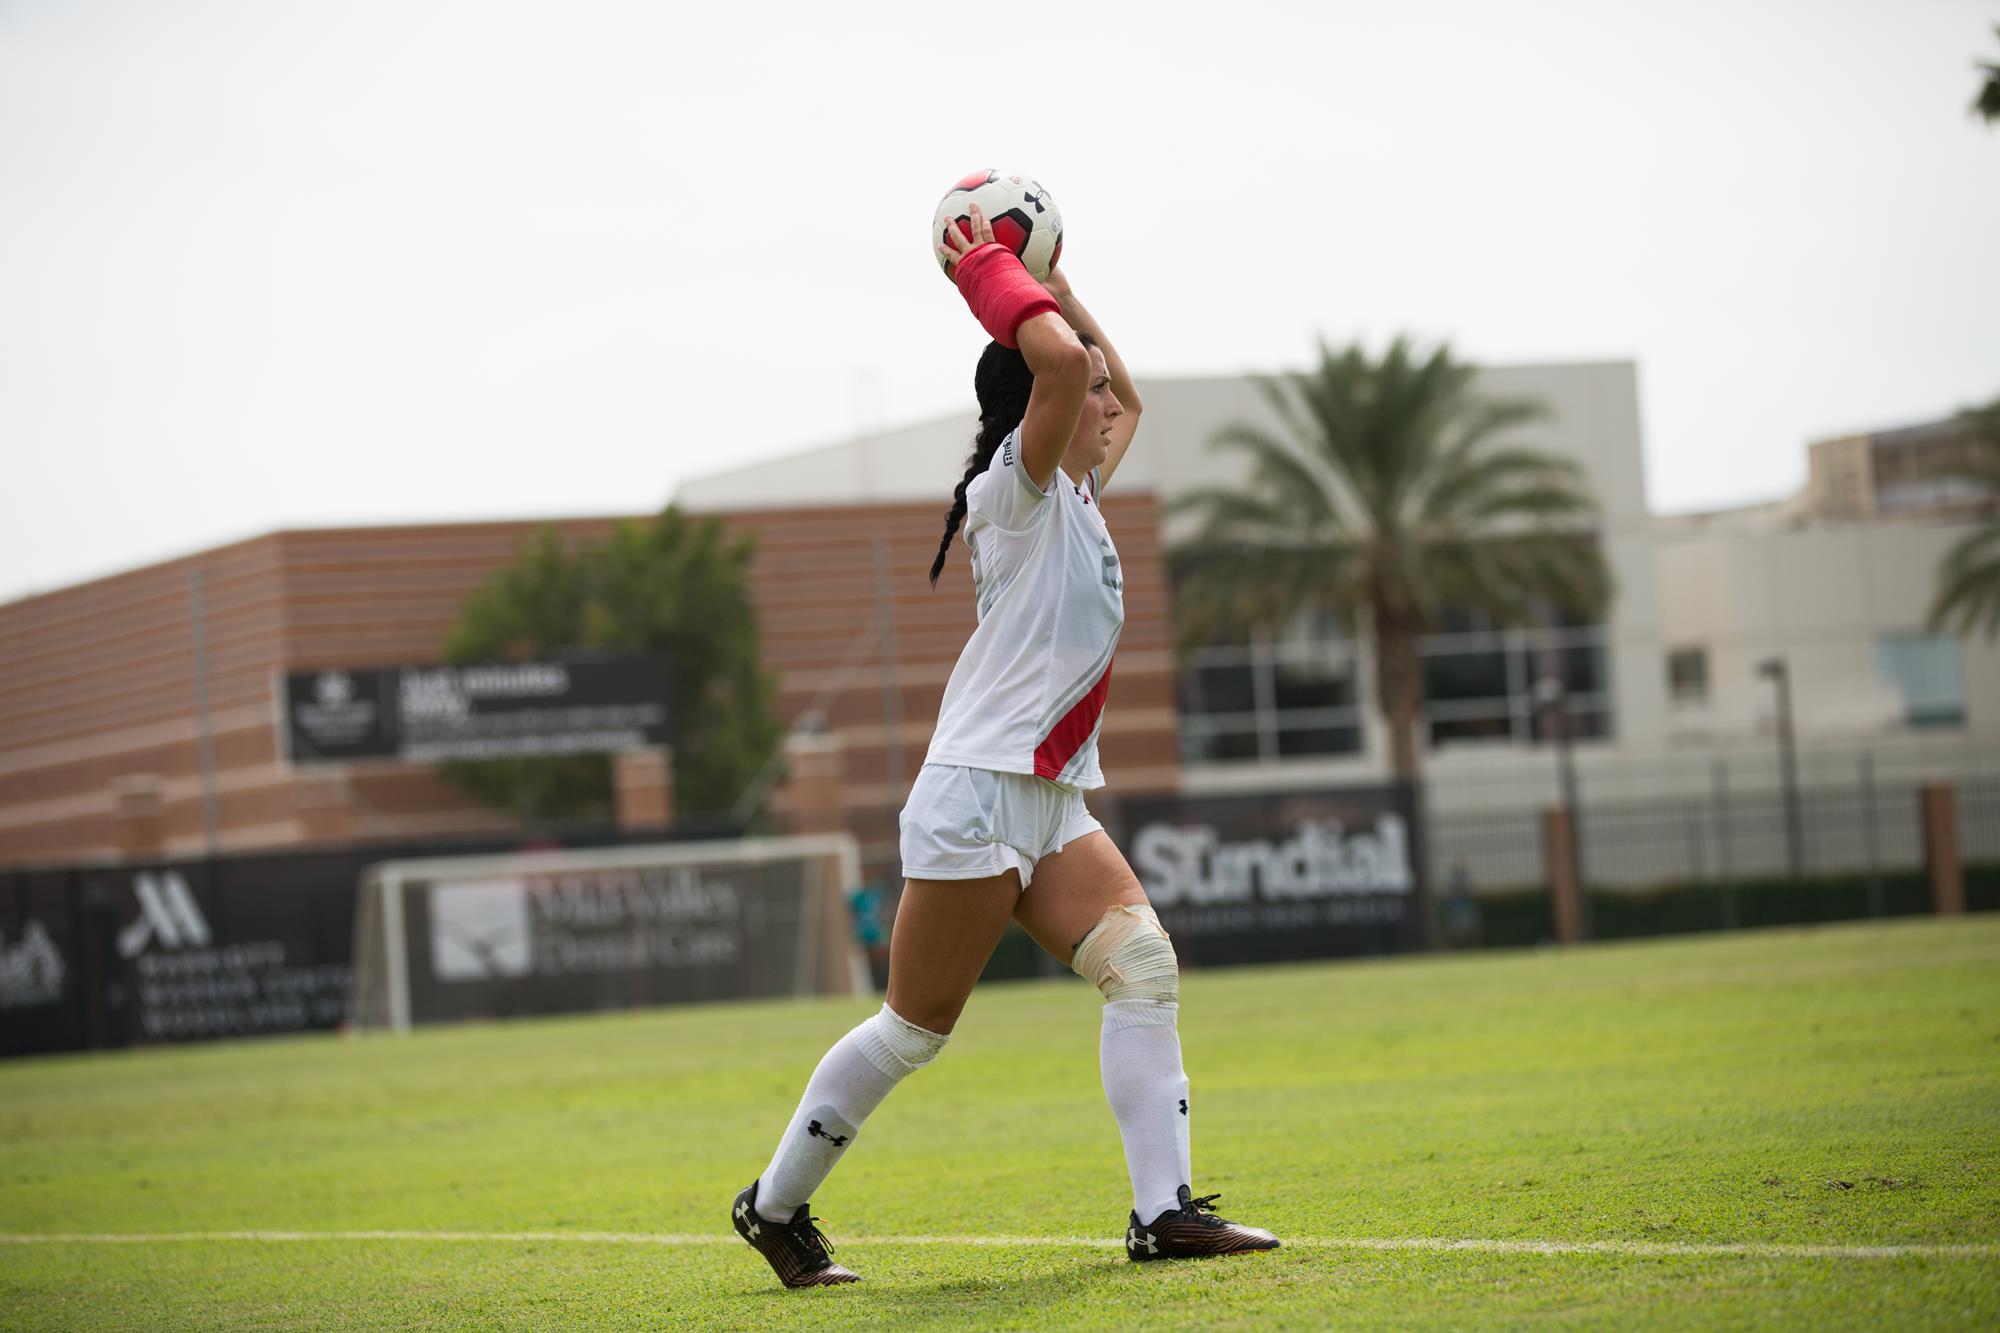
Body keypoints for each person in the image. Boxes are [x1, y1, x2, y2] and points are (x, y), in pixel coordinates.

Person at [730, 204, 1279, 1287]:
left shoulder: (1071, 490)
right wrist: (982, 263)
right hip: (976, 794)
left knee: (1141, 966)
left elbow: (1110, 376)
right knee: (913, 1031)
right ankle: (772, 1205)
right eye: (1084, 393)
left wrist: (1058, 280)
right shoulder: (1016, 494)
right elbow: (1069, 370)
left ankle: (1160, 1212)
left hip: (1046, 796)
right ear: (1043, 407)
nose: (1106, 400)